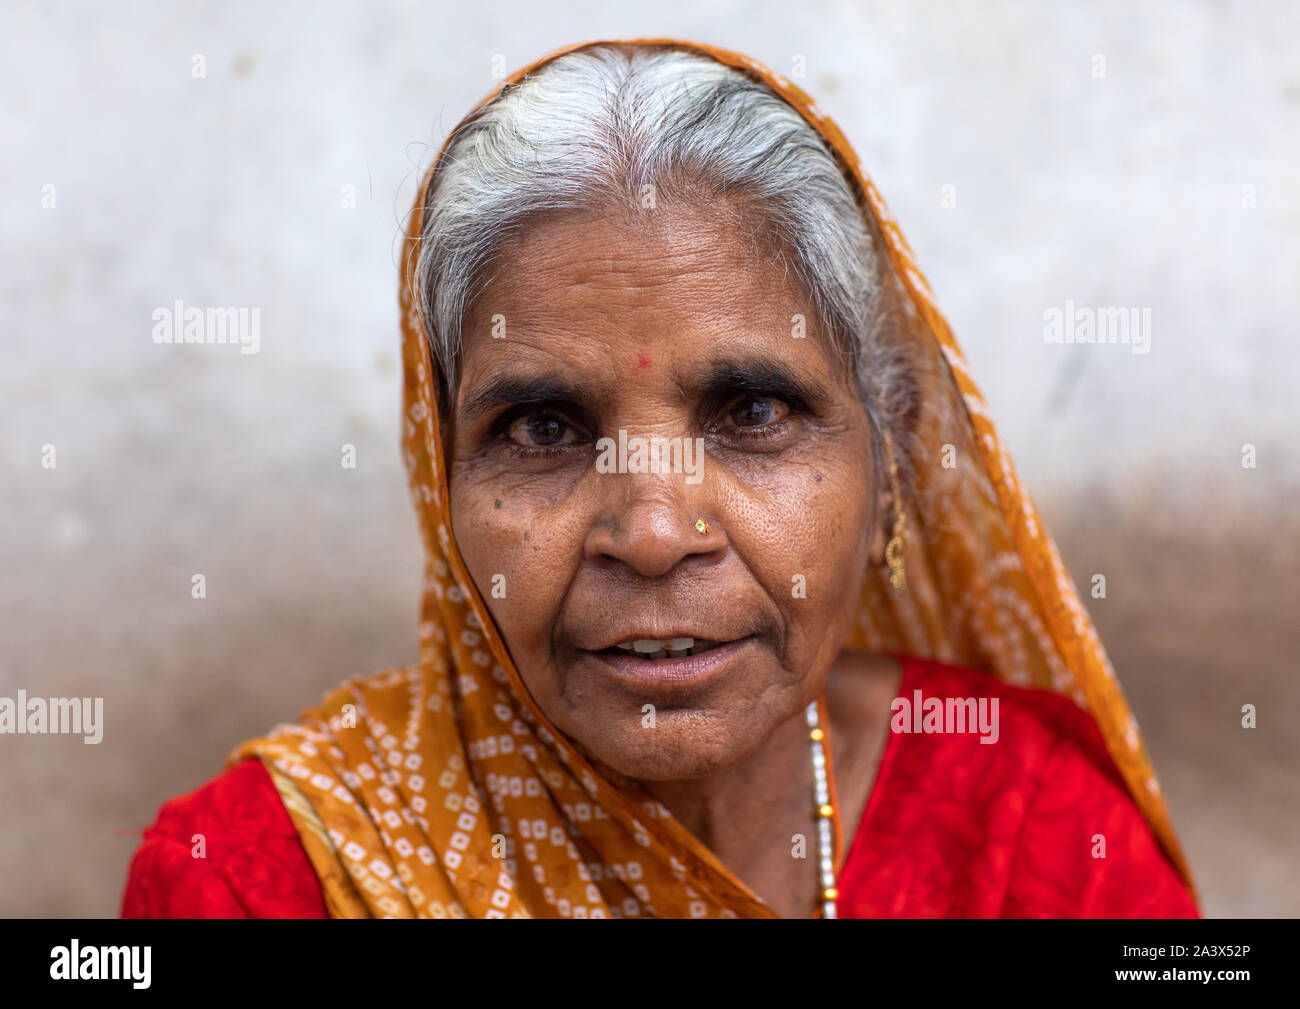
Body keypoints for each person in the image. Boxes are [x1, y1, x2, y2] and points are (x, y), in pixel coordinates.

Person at [121, 37, 1198, 919]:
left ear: (891, 471)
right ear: (438, 480)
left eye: (752, 414)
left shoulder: (1025, 829)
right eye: (543, 427)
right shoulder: (265, 878)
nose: (649, 530)